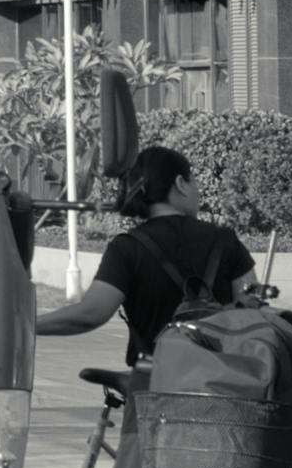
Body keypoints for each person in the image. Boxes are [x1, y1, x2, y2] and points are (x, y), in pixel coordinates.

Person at [32, 145, 256, 361]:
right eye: (193, 180)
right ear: (180, 184)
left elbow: (91, 314)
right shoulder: (225, 240)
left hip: (154, 384)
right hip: (223, 381)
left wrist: (27, 326)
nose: (197, 190)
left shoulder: (127, 247)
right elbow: (250, 306)